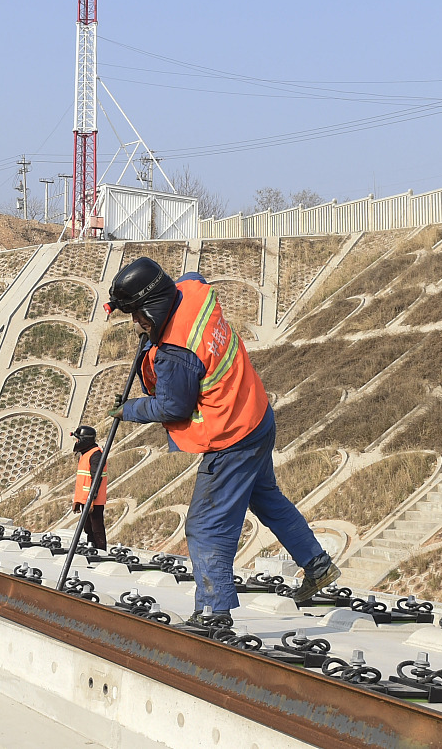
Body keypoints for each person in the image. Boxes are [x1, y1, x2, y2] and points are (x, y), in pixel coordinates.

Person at [105, 257, 339, 620]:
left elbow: (173, 408)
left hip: (230, 436)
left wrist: (130, 409)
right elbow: (193, 276)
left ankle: (215, 613)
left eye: (138, 314)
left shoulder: (174, 355)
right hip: (256, 415)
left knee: (205, 525)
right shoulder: (192, 293)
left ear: (153, 305)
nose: (137, 322)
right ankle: (317, 563)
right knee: (266, 498)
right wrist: (149, 334)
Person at [70, 425, 108, 549]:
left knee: (96, 528)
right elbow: (83, 481)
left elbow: (96, 479)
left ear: (85, 440)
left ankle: (101, 551)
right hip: (85, 500)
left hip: (94, 501)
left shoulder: (95, 455)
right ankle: (91, 548)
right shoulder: (85, 454)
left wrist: (91, 499)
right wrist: (77, 500)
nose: (76, 442)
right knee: (88, 528)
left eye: (78, 439)